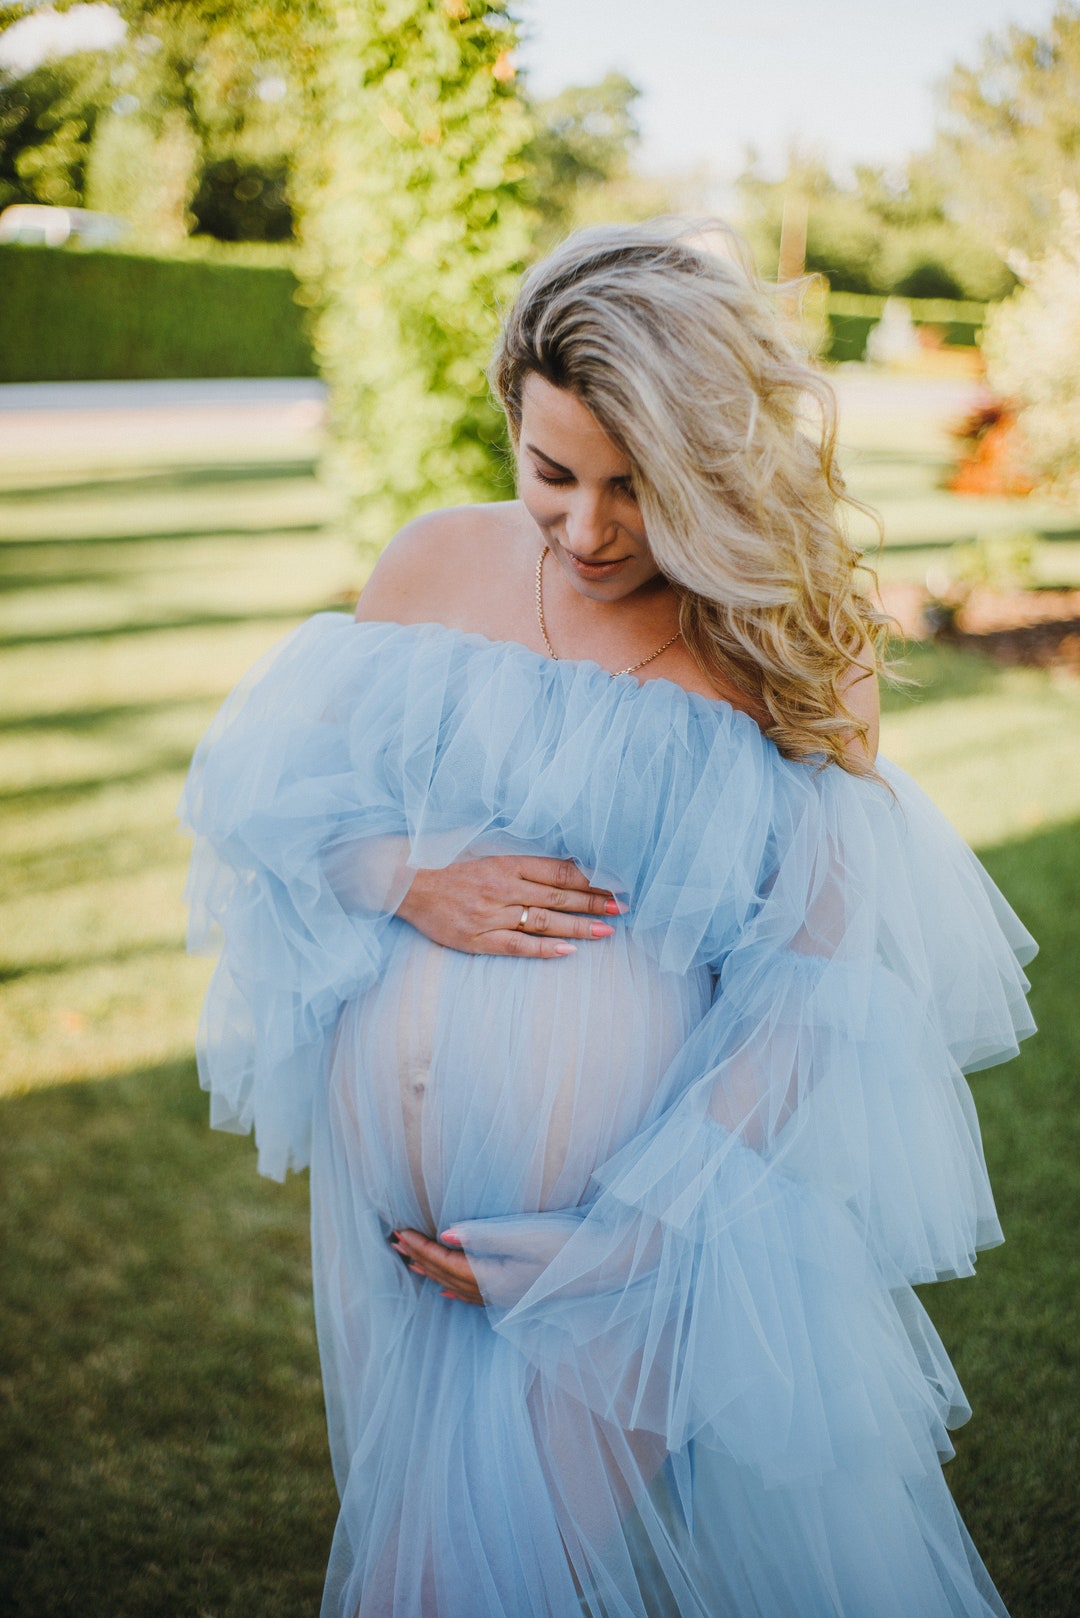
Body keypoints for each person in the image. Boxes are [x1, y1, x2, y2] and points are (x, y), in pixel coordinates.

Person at [180, 219, 1036, 1618]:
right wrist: (406, 875)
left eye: (636, 489)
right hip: (402, 1236)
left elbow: (809, 1005)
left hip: (635, 1252)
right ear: (509, 424)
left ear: (715, 460)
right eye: (552, 474)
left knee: (439, 1589)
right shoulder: (433, 569)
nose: (585, 529)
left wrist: (620, 1244)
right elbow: (282, 806)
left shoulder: (785, 644)